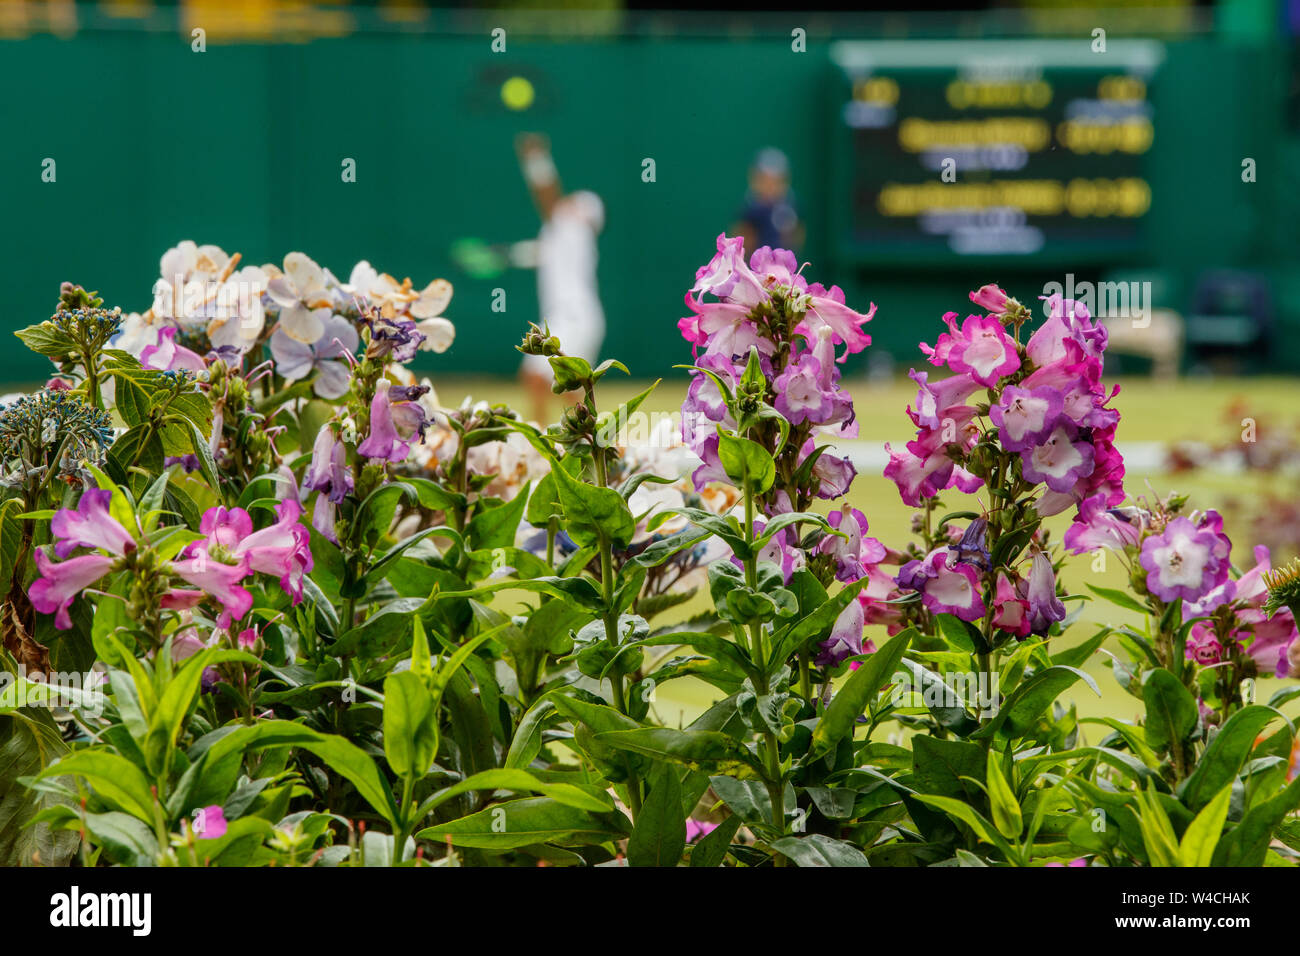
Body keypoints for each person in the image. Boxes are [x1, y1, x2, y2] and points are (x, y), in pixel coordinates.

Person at [515, 133, 606, 424]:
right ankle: (596, 442)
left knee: (536, 377)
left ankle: (541, 437)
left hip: (574, 317)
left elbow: (547, 196)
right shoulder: (561, 237)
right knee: (570, 391)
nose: (568, 204)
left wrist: (535, 158)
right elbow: (539, 254)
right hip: (576, 317)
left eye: (575, 204)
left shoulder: (572, 228)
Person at [732, 147, 803, 254]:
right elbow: (741, 240)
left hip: (783, 266)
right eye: (765, 180)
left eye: (776, 181)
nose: (771, 186)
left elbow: (798, 234)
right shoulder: (750, 208)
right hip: (755, 267)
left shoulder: (791, 205)